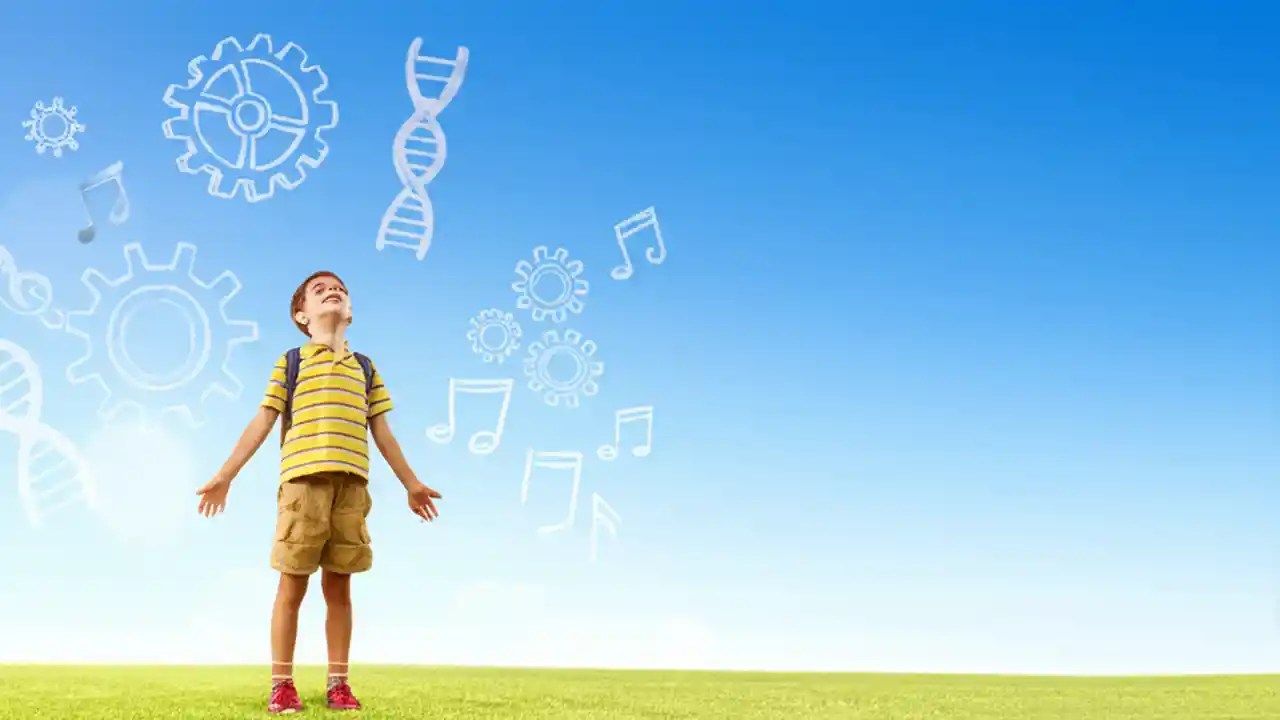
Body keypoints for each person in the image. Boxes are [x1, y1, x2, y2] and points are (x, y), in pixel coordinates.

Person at [195, 270, 442, 713]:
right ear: (301, 315)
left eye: (341, 290)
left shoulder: (366, 369)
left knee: (340, 590)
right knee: (292, 586)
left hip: (351, 488)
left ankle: (338, 684)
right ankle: (281, 684)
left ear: (349, 312)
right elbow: (263, 421)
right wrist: (225, 474)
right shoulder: (291, 362)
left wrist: (411, 484)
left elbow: (383, 432)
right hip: (303, 485)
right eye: (319, 289)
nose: (333, 291)